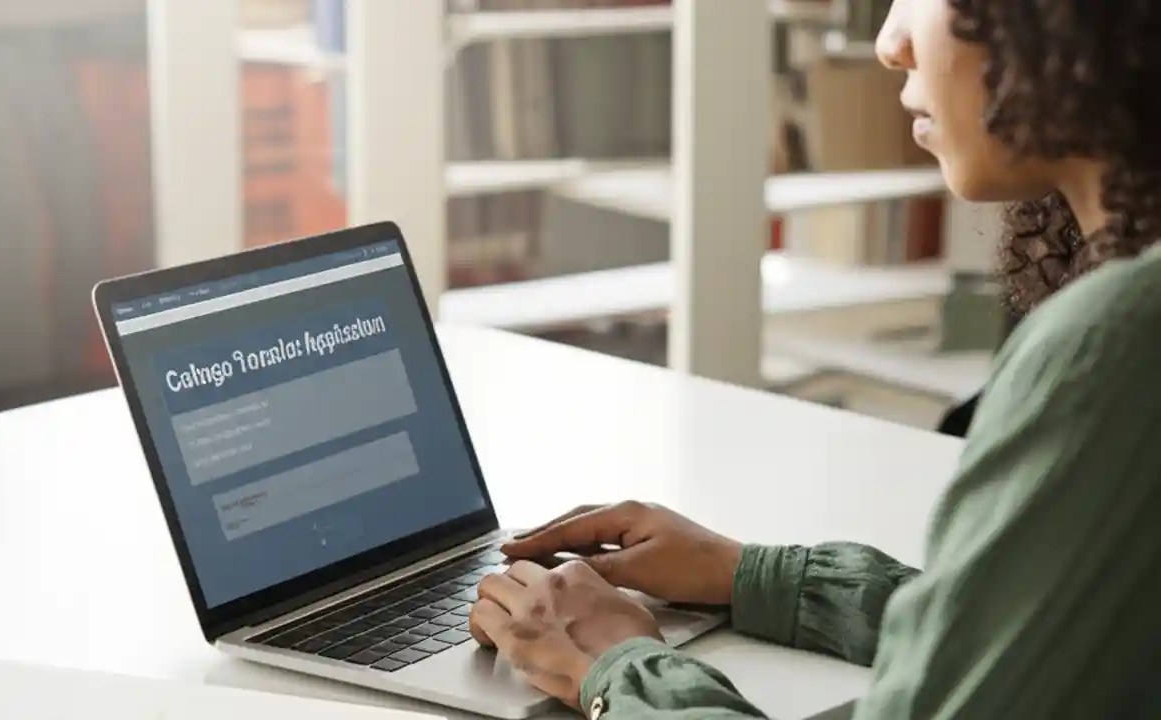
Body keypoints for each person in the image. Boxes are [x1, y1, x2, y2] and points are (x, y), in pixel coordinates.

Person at [467, 1, 1161, 717]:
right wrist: (757, 578)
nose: (890, 43)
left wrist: (614, 665)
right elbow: (1037, 635)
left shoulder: (1117, 343)